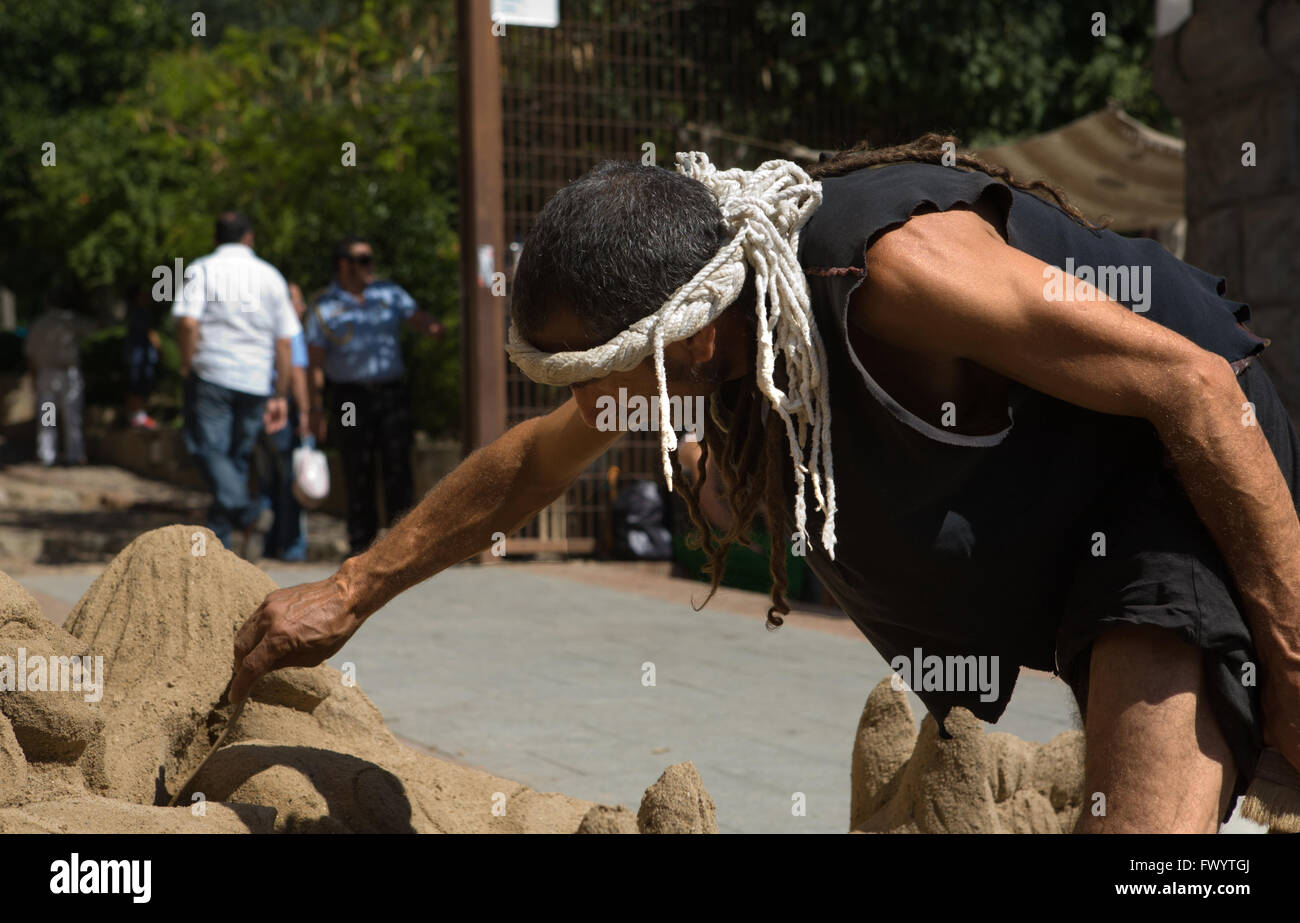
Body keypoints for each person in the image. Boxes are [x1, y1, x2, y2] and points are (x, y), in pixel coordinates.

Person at [230, 135, 1300, 834]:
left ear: (686, 339)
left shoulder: (893, 270)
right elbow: (527, 468)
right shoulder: (725, 335)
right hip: (1065, 527)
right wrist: (349, 590)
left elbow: (1195, 386)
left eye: (609, 377)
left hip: (1178, 473)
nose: (603, 404)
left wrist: (1292, 660)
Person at [304, 237, 444, 555]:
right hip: (349, 398)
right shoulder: (324, 306)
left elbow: (419, 319)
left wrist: (435, 328)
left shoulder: (388, 294)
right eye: (364, 259)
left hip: (390, 393)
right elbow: (314, 364)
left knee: (398, 464)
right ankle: (361, 549)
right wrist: (314, 408)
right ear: (344, 265)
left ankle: (403, 546)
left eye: (370, 259)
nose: (371, 265)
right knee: (357, 465)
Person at [173, 211, 300, 554]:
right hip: (257, 380)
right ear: (249, 237)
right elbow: (285, 341)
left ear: (215, 239)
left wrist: (187, 363)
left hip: (212, 374)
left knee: (208, 450)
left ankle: (246, 510)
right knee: (236, 458)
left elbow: (187, 323)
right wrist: (280, 394)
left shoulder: (202, 269)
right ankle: (221, 547)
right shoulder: (270, 276)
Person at [254, 282, 313, 561]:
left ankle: (264, 542)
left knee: (266, 481)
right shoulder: (290, 332)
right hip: (283, 411)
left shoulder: (259, 329)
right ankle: (291, 548)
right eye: (299, 303)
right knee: (292, 482)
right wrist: (304, 412)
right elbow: (298, 373)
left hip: (257, 409)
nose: (302, 309)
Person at [26, 291, 95, 466]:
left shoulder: (39, 323)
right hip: (67, 372)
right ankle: (75, 454)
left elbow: (31, 355)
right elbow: (95, 329)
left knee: (47, 416)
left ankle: (46, 454)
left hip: (47, 374)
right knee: (72, 416)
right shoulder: (70, 320)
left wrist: (34, 378)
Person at [122, 284, 161, 430]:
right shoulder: (138, 314)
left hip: (140, 357)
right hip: (138, 358)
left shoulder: (137, 313)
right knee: (136, 386)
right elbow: (150, 334)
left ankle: (138, 415)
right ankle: (136, 416)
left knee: (140, 386)